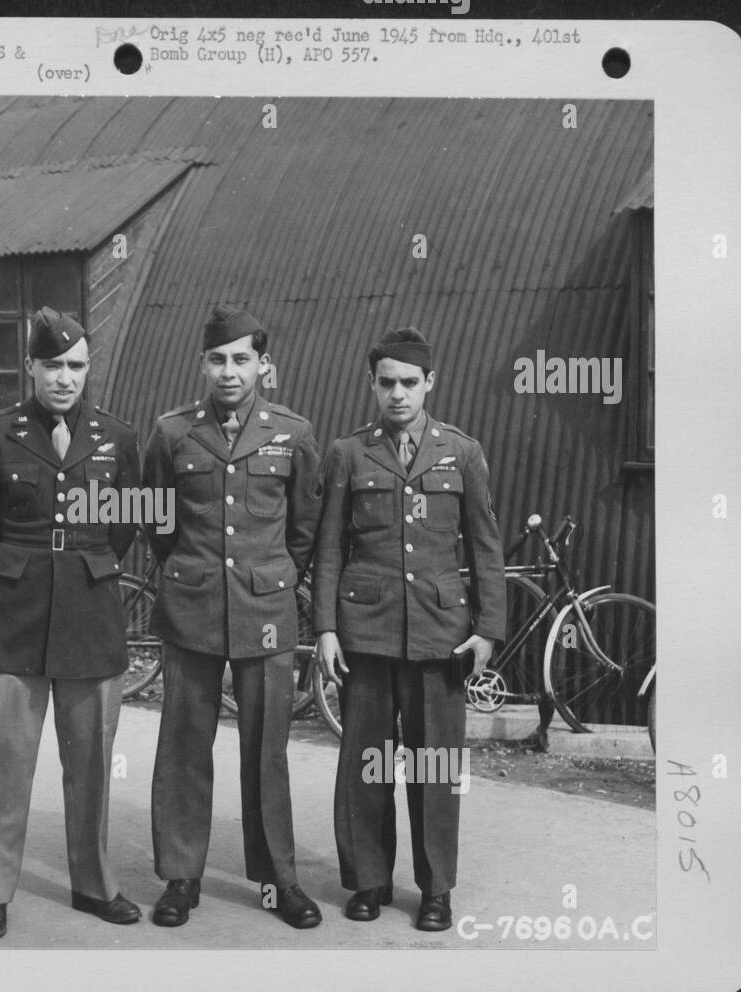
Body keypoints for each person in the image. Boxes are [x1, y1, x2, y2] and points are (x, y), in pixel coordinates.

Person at [313, 326, 505, 931]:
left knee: (434, 766)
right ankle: (368, 881)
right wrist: (324, 629)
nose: (398, 394)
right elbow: (327, 551)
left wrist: (487, 630)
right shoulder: (348, 453)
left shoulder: (461, 452)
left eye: (410, 383)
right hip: (365, 632)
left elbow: (485, 546)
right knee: (367, 762)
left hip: (440, 635)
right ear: (372, 384)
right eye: (387, 382)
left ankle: (436, 888)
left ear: (430, 384)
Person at [0, 306, 142, 941]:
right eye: (53, 366)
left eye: (76, 366)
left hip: (91, 617)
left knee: (92, 758)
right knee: (3, 758)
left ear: (88, 368)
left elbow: (120, 531)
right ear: (30, 368)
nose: (65, 378)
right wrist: (29, 570)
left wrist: (79, 568)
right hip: (16, 616)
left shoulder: (118, 439)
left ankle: (94, 885)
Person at [143, 305, 324, 929]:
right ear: (203, 363)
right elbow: (159, 524)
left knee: (267, 749)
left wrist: (270, 574)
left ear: (262, 366)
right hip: (190, 606)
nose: (229, 370)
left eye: (241, 359)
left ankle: (280, 879)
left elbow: (304, 531)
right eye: (218, 359)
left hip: (265, 609)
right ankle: (180, 876)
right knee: (183, 746)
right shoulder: (171, 433)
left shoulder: (293, 433)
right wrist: (191, 572)